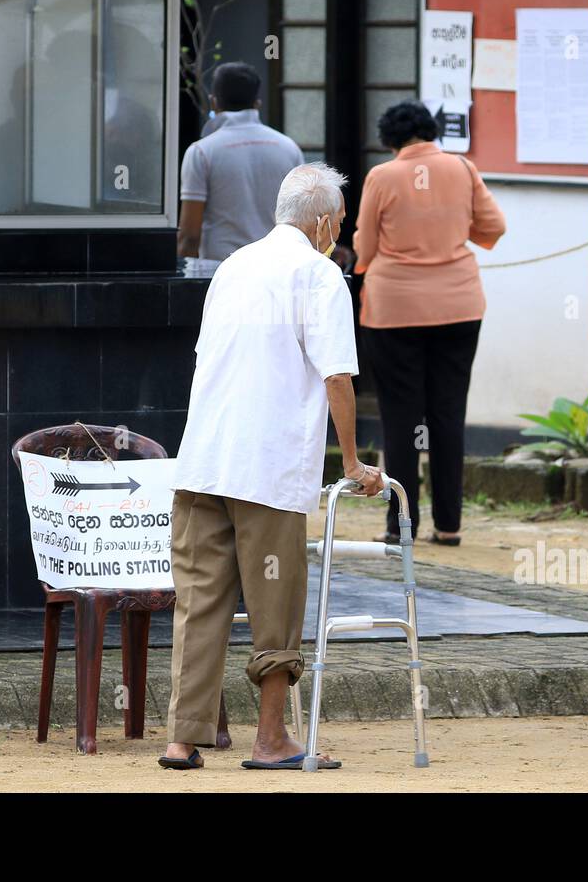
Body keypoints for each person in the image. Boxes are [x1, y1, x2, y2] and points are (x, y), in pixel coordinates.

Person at [161, 162, 383, 771]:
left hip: (202, 462)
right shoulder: (319, 274)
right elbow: (337, 376)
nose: (340, 232)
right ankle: (270, 740)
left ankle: (182, 740)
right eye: (340, 222)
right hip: (268, 469)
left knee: (199, 605)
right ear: (324, 222)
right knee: (275, 607)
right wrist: (353, 461)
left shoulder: (232, 266)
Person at [353, 101, 506, 546]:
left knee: (400, 417)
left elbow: (365, 248)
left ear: (389, 139)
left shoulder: (381, 176)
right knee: (448, 412)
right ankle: (449, 525)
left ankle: (401, 525)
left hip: (394, 310)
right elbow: (493, 227)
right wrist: (452, 232)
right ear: (431, 131)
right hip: (459, 306)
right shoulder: (463, 168)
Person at [176, 62, 303, 262]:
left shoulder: (201, 152)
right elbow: (301, 221)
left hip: (221, 268)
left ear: (213, 102)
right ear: (257, 104)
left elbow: (190, 236)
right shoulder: (289, 148)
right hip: (276, 266)